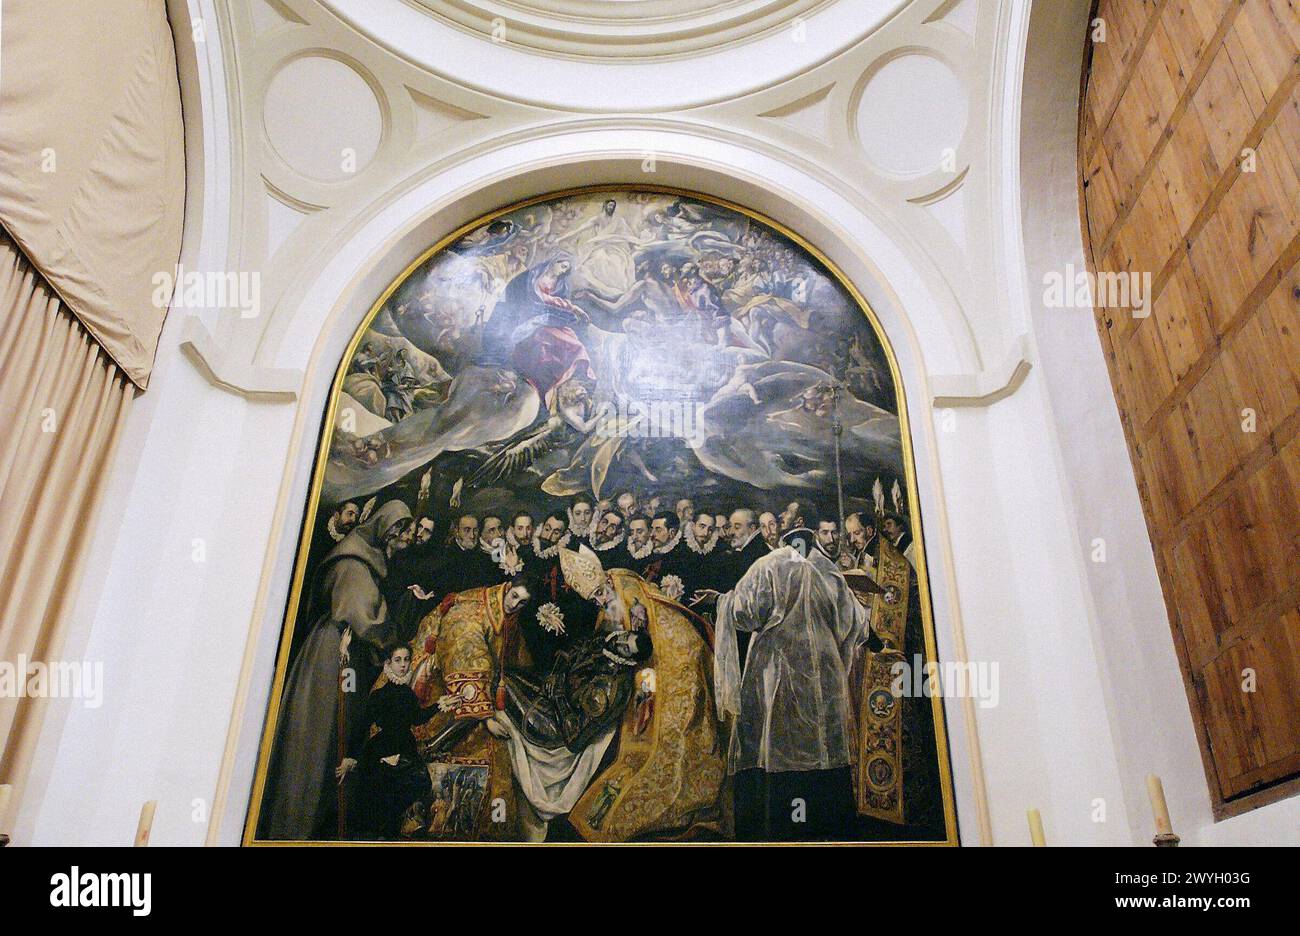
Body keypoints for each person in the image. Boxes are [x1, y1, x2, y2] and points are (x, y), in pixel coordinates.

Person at [708, 528, 875, 841]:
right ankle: (821, 828)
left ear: (785, 540)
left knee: (777, 745)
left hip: (778, 674)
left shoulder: (768, 564)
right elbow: (855, 623)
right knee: (820, 748)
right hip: (824, 677)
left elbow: (744, 614)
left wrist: (722, 602)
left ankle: (779, 829)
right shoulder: (829, 570)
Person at [260, 500, 413, 840]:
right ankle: (297, 826)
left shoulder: (365, 555)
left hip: (341, 651)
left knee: (336, 738)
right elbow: (366, 620)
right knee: (320, 735)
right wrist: (398, 632)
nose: (403, 537)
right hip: (332, 656)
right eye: (398, 530)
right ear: (384, 528)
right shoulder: (354, 564)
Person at [337, 644, 433, 840]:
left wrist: (439, 705)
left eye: (406, 660)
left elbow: (417, 718)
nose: (404, 665)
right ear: (388, 663)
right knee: (382, 792)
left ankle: (403, 829)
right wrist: (350, 756)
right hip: (381, 749)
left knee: (419, 782)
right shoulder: (379, 695)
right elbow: (362, 726)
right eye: (398, 660)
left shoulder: (408, 695)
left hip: (406, 747)